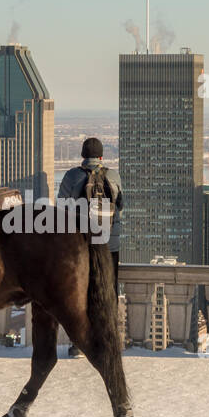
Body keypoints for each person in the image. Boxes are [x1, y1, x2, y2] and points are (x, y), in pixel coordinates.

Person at [58, 137, 124, 357]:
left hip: (81, 245)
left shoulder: (72, 176)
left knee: (82, 293)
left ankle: (80, 343)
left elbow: (62, 210)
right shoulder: (113, 176)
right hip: (109, 243)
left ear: (83, 156)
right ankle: (109, 341)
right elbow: (121, 207)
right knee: (108, 291)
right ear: (102, 156)